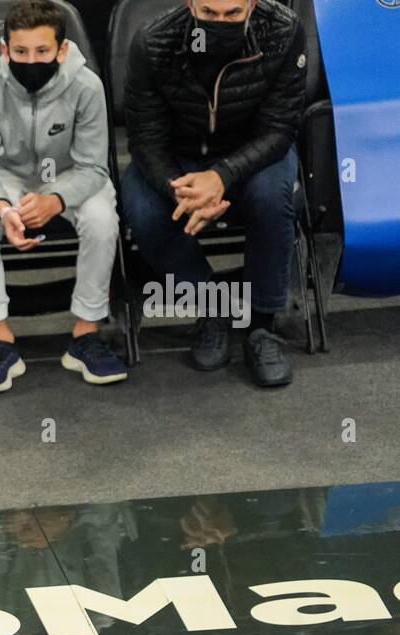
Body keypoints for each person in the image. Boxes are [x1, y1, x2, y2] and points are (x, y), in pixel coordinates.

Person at [121, 0, 306, 387]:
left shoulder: (284, 31)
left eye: (233, 14)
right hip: (180, 158)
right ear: (190, 3)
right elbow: (145, 140)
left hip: (256, 151)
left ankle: (262, 328)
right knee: (140, 207)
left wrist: (221, 176)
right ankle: (212, 306)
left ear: (253, 4)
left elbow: (279, 129)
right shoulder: (153, 43)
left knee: (272, 199)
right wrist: (184, 193)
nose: (220, 22)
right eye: (209, 13)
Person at [0, 0, 126, 392]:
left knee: (103, 219)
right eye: (20, 52)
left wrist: (56, 199)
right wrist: (2, 208)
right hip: (5, 177)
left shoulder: (87, 86)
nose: (30, 60)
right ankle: (0, 340)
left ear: (61, 50)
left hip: (71, 176)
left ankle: (85, 334)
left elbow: (93, 167)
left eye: (41, 51)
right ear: (5, 49)